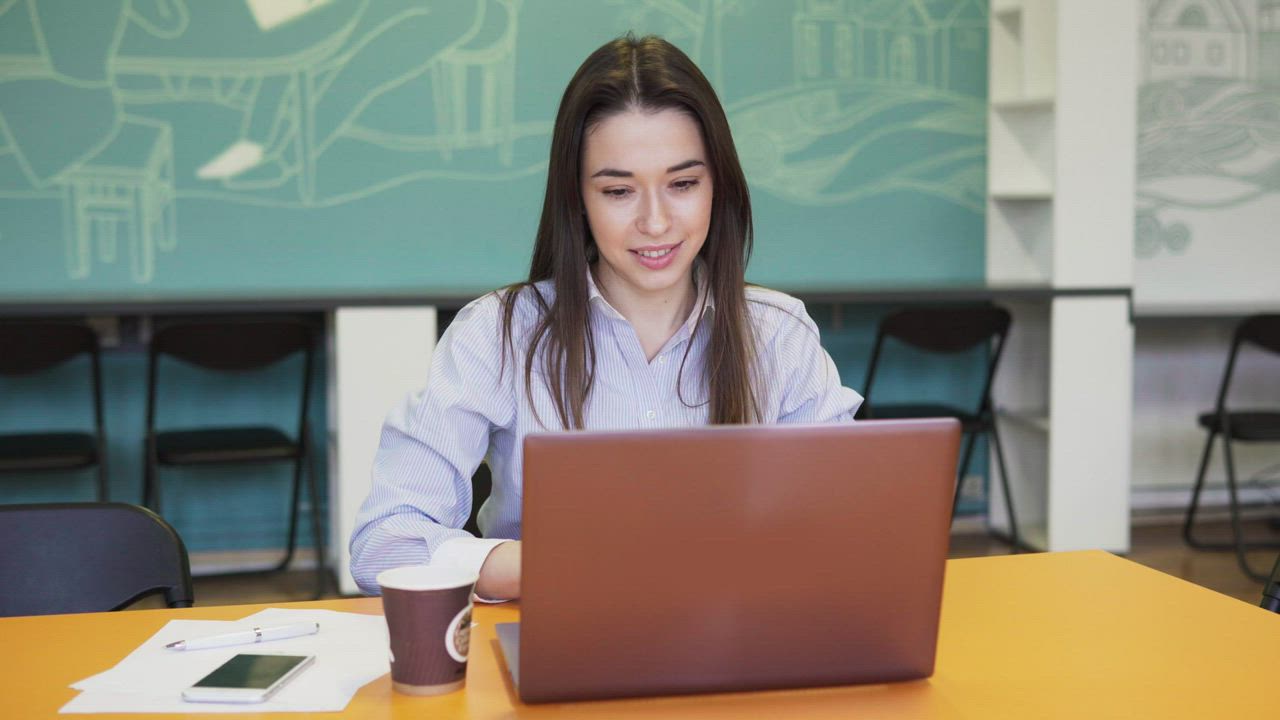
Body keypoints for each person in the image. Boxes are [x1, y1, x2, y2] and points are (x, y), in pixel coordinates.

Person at [349, 34, 862, 599]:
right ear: (578, 200)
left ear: (719, 185)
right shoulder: (498, 335)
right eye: (619, 191)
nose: (656, 222)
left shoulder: (778, 336)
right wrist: (573, 566)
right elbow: (384, 544)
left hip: (740, 635)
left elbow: (853, 526)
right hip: (553, 636)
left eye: (683, 184)